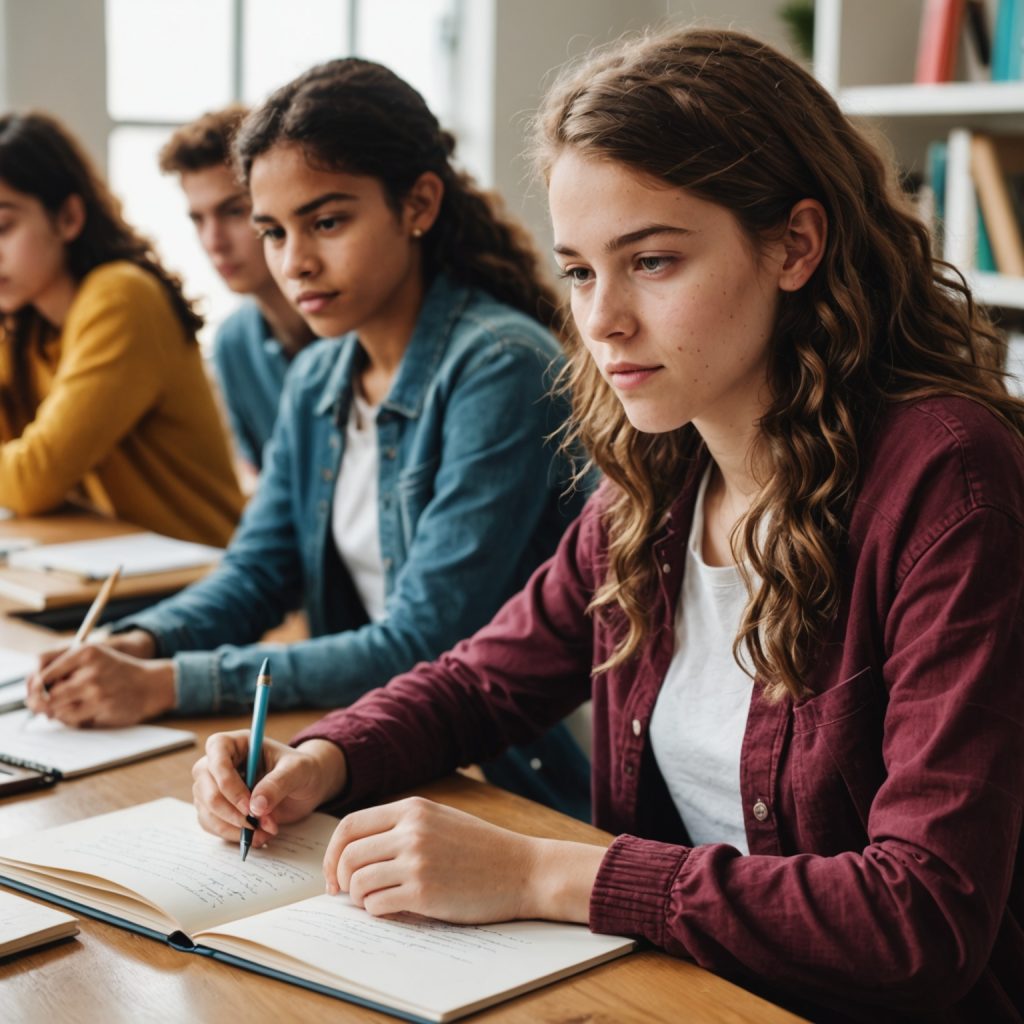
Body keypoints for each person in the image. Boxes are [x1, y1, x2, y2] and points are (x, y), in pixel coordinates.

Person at [190, 28, 1024, 1024]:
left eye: (654, 261)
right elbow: (479, 681)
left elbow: (918, 919)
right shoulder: (657, 475)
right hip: (674, 991)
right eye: (580, 271)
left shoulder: (947, 478)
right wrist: (322, 757)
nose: (603, 319)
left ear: (794, 244)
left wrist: (548, 874)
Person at [28, 60, 591, 819]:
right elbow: (260, 571)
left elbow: (422, 641)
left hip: (516, 776)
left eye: (327, 222)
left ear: (418, 203)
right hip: (387, 744)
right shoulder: (323, 373)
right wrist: (140, 643)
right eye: (273, 231)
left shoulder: (499, 367)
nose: (294, 262)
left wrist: (167, 685)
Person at [0, 112, 243, 545]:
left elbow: (32, 479)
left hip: (203, 583)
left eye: (3, 227)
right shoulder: (26, 323)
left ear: (69, 218)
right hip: (118, 572)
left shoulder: (120, 296)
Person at [159, 107, 316, 477]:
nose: (213, 242)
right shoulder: (233, 343)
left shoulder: (357, 323)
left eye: (233, 212)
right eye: (198, 219)